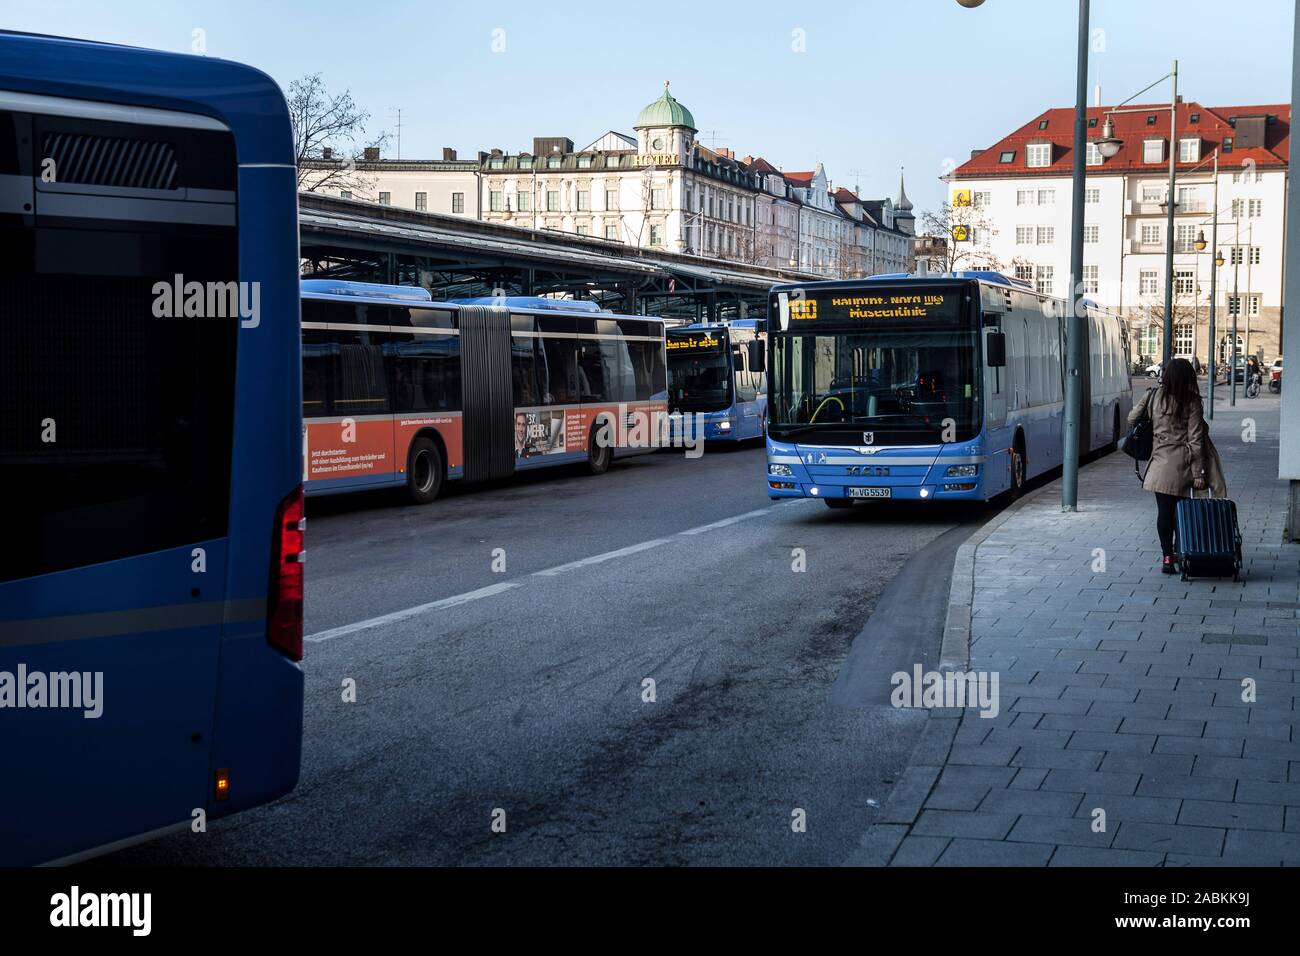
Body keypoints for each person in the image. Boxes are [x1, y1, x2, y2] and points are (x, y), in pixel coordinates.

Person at [1127, 358, 1228, 574]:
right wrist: (1199, 472)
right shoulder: (1192, 402)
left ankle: (1166, 558)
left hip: (1159, 465)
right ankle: (1180, 552)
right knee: (1182, 513)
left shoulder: (1153, 395)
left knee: (1164, 512)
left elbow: (1132, 418)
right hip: (1183, 466)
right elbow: (1196, 440)